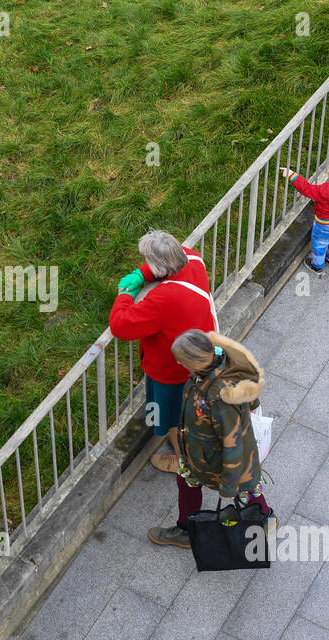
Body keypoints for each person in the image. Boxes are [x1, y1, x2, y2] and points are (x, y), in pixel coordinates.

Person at [109, 230, 217, 524]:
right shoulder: (193, 259)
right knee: (181, 414)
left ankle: (182, 457)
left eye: (147, 262)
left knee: (172, 418)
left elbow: (121, 326)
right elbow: (173, 252)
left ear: (160, 269)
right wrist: (143, 272)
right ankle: (179, 441)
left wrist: (126, 293)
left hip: (171, 372)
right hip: (197, 360)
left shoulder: (164, 298)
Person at [146, 329, 271, 549]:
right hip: (199, 453)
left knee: (245, 490)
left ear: (195, 362)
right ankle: (264, 519)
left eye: (181, 360)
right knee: (190, 482)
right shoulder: (219, 364)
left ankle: (189, 531)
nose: (178, 362)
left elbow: (233, 444)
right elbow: (249, 396)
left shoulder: (219, 398)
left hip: (215, 461)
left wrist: (228, 486)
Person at [278, 155, 329, 273]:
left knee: (319, 246)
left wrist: (292, 175)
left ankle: (317, 266)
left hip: (324, 226)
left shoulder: (326, 191)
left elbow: (306, 189)